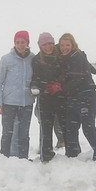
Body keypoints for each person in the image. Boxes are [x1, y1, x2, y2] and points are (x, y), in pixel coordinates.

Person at [58, 33, 96, 165]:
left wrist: (60, 87)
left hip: (86, 96)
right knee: (70, 128)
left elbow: (76, 78)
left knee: (88, 128)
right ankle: (73, 157)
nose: (64, 48)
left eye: (67, 45)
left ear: (73, 45)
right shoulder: (68, 58)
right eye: (62, 45)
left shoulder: (76, 56)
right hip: (73, 98)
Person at [0, 31, 35, 159]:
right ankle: (4, 158)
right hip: (9, 103)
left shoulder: (33, 59)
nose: (20, 45)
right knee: (7, 133)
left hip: (26, 103)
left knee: (24, 134)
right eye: (17, 42)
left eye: (23, 42)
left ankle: (23, 159)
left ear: (27, 43)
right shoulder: (6, 59)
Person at [30, 33, 66, 162]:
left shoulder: (60, 57)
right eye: (44, 44)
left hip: (62, 97)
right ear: (40, 46)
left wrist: (60, 84)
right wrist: (36, 87)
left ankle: (72, 153)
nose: (48, 46)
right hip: (45, 98)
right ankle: (46, 156)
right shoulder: (36, 60)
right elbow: (35, 77)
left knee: (66, 126)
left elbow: (66, 73)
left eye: (50, 43)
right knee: (46, 127)